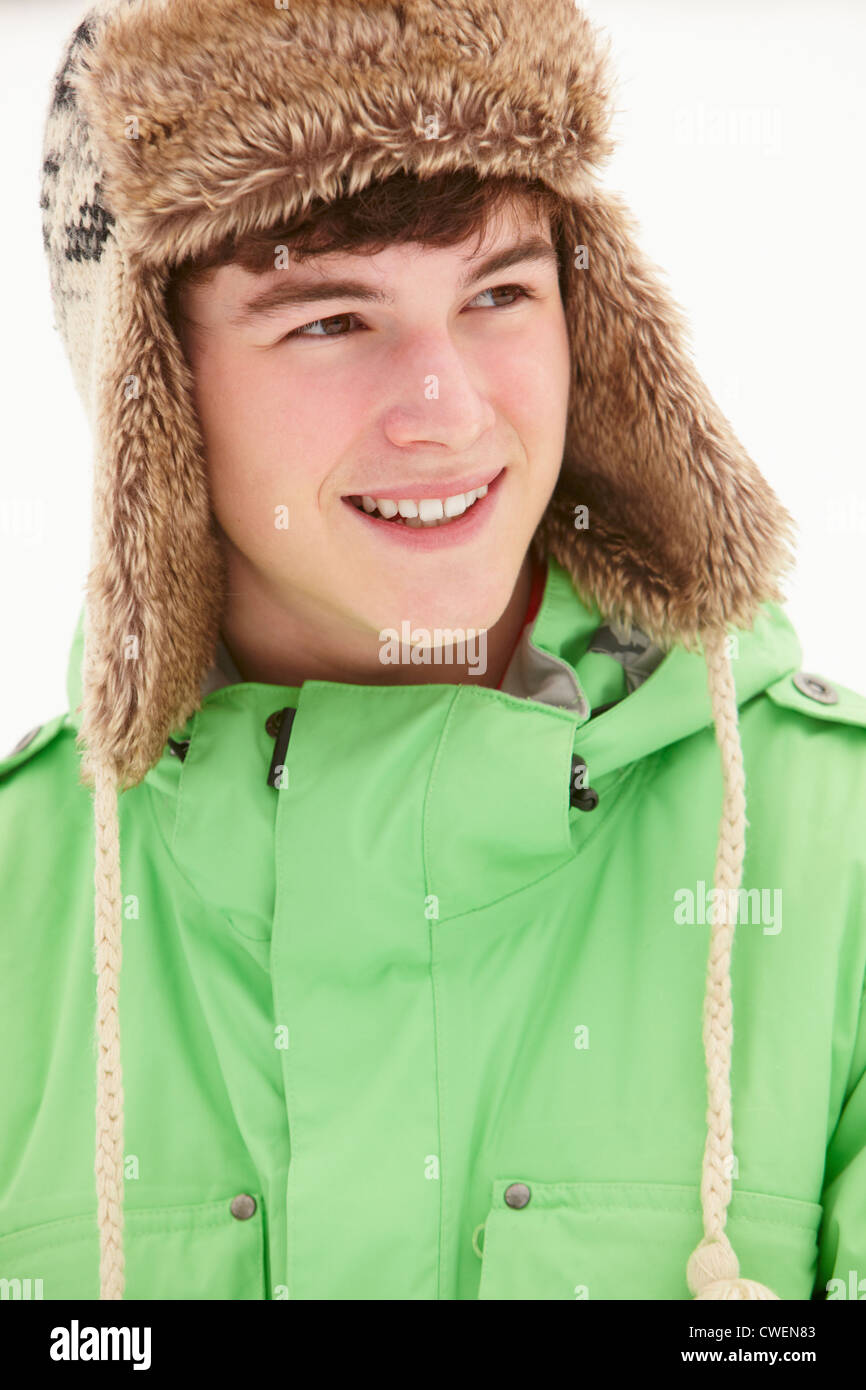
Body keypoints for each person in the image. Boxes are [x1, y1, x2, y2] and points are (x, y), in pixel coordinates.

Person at [1, 0, 865, 1303]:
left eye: (499, 292)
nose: (446, 410)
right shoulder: (24, 900)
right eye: (330, 320)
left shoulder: (836, 853)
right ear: (154, 397)